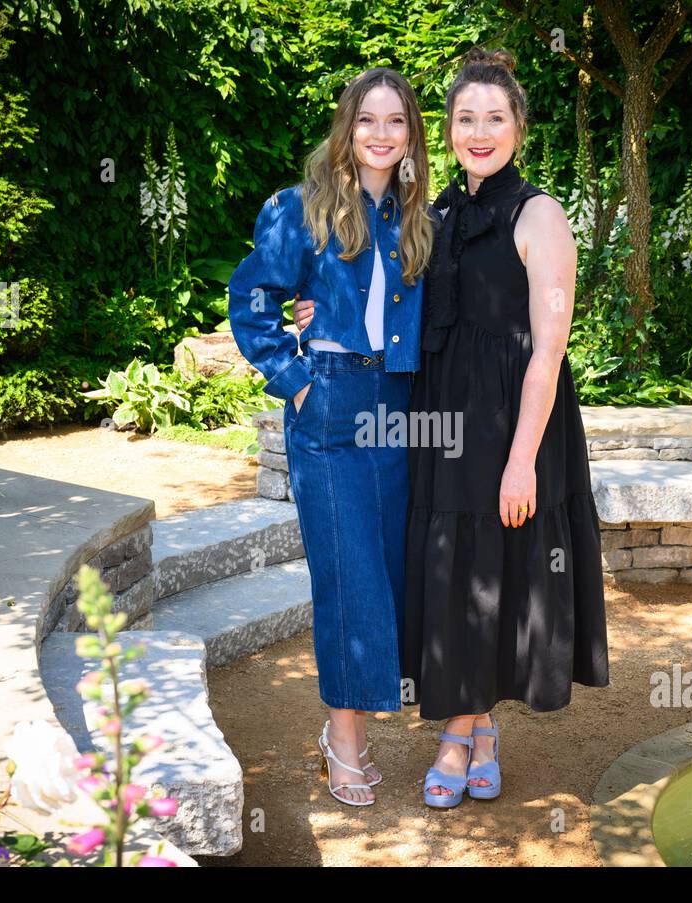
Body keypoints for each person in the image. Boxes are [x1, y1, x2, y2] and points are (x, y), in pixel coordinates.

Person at [294, 48, 610, 810]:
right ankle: (474, 729)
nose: (479, 131)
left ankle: (463, 735)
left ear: (519, 128)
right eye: (465, 118)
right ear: (448, 128)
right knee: (461, 573)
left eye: (493, 118)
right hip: (438, 426)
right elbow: (376, 294)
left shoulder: (540, 216)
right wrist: (315, 317)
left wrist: (522, 460)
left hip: (512, 426)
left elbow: (550, 350)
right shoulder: (430, 217)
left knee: (501, 567)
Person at [227, 67, 434, 806]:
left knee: (392, 565)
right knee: (346, 574)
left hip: (402, 405)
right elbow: (252, 300)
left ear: (412, 137)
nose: (381, 135)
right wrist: (298, 377)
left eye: (397, 122)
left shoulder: (417, 216)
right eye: (368, 120)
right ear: (346, 127)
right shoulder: (299, 208)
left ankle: (379, 714)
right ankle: (343, 738)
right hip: (331, 399)